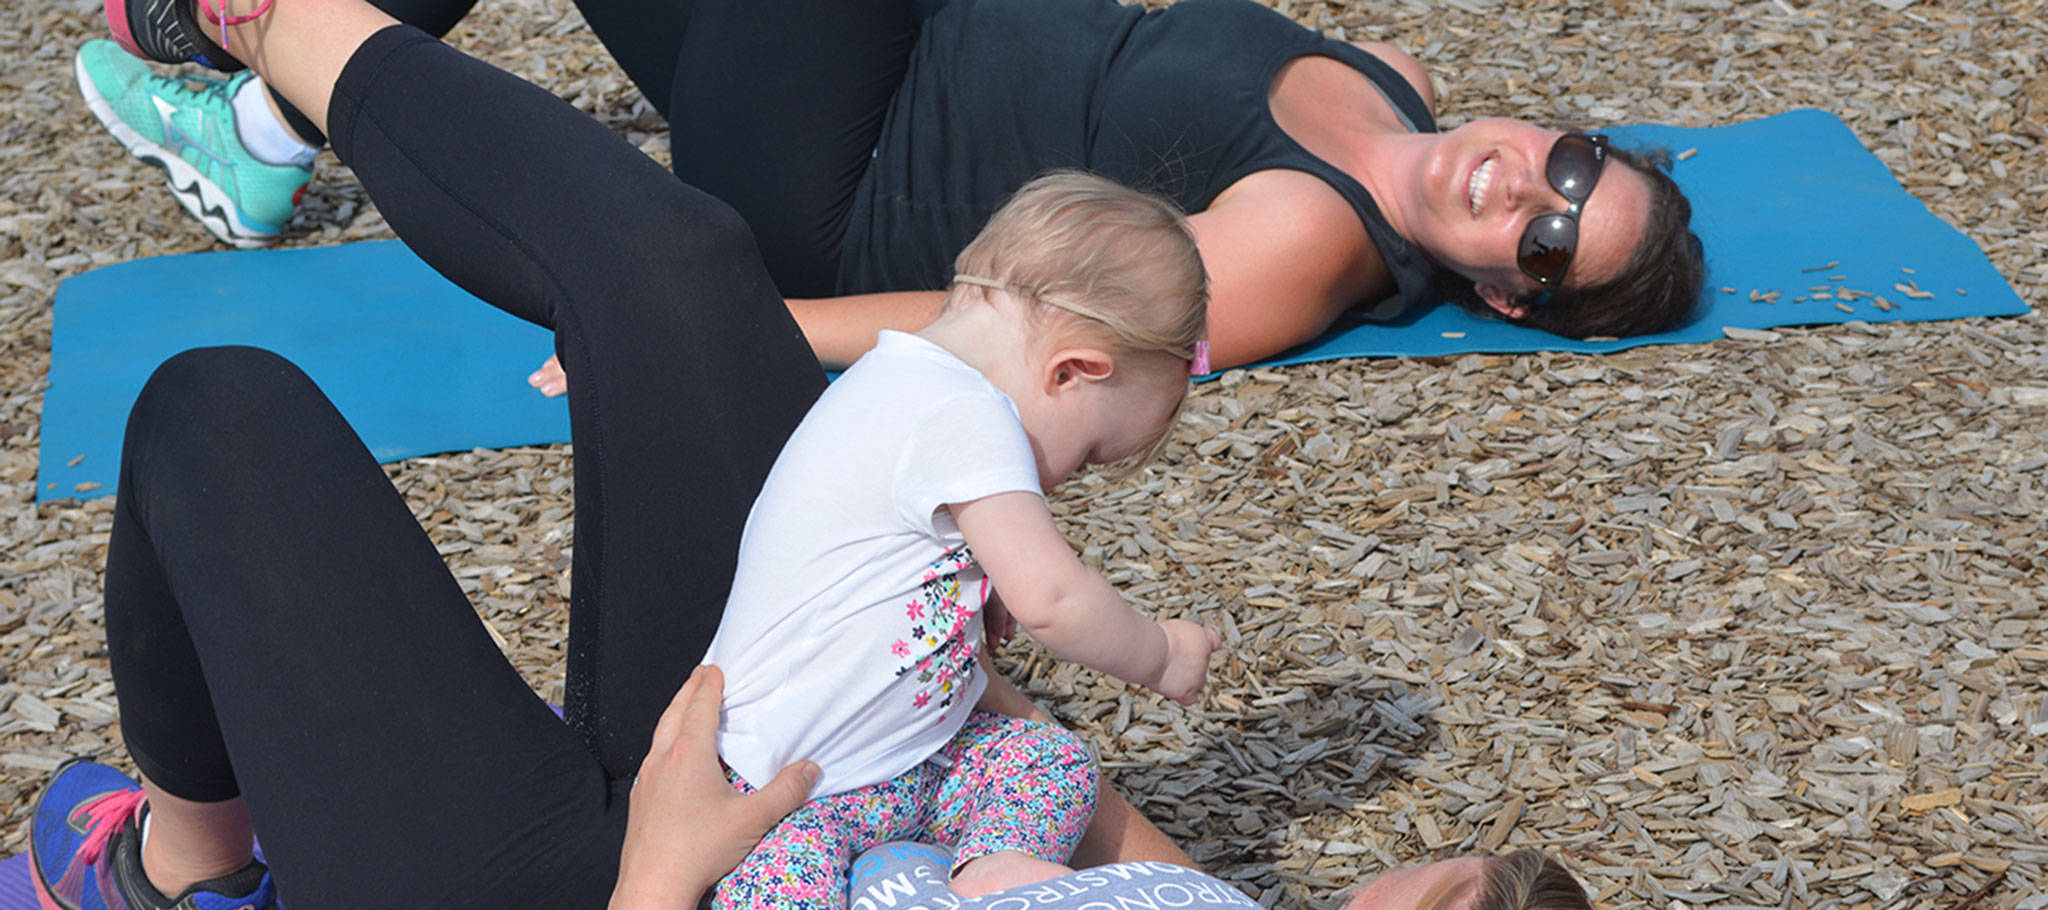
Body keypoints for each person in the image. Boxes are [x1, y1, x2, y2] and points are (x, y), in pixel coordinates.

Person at [33, 4, 1667, 910]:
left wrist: (657, 884)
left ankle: (187, 886)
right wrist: (943, 667)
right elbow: (1098, 835)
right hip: (804, 784)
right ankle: (291, 27)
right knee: (680, 270)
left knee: (221, 417)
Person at [79, 0, 1703, 363]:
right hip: (873, 50)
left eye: (1545, 243)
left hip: (837, 174)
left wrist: (730, 330)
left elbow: (1044, 325)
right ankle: (266, 124)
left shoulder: (1308, 241)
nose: (1523, 194)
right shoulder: (1392, 84)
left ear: (1503, 295)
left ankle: (249, 69)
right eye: (1568, 169)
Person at [661, 170, 1219, 910]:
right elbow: (1055, 598)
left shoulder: (912, 382)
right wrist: (1162, 655)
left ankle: (988, 874)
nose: (1063, 481)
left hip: (902, 766)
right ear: (1073, 369)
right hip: (780, 795)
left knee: (1045, 761)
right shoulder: (960, 414)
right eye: (1091, 453)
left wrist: (970, 595)